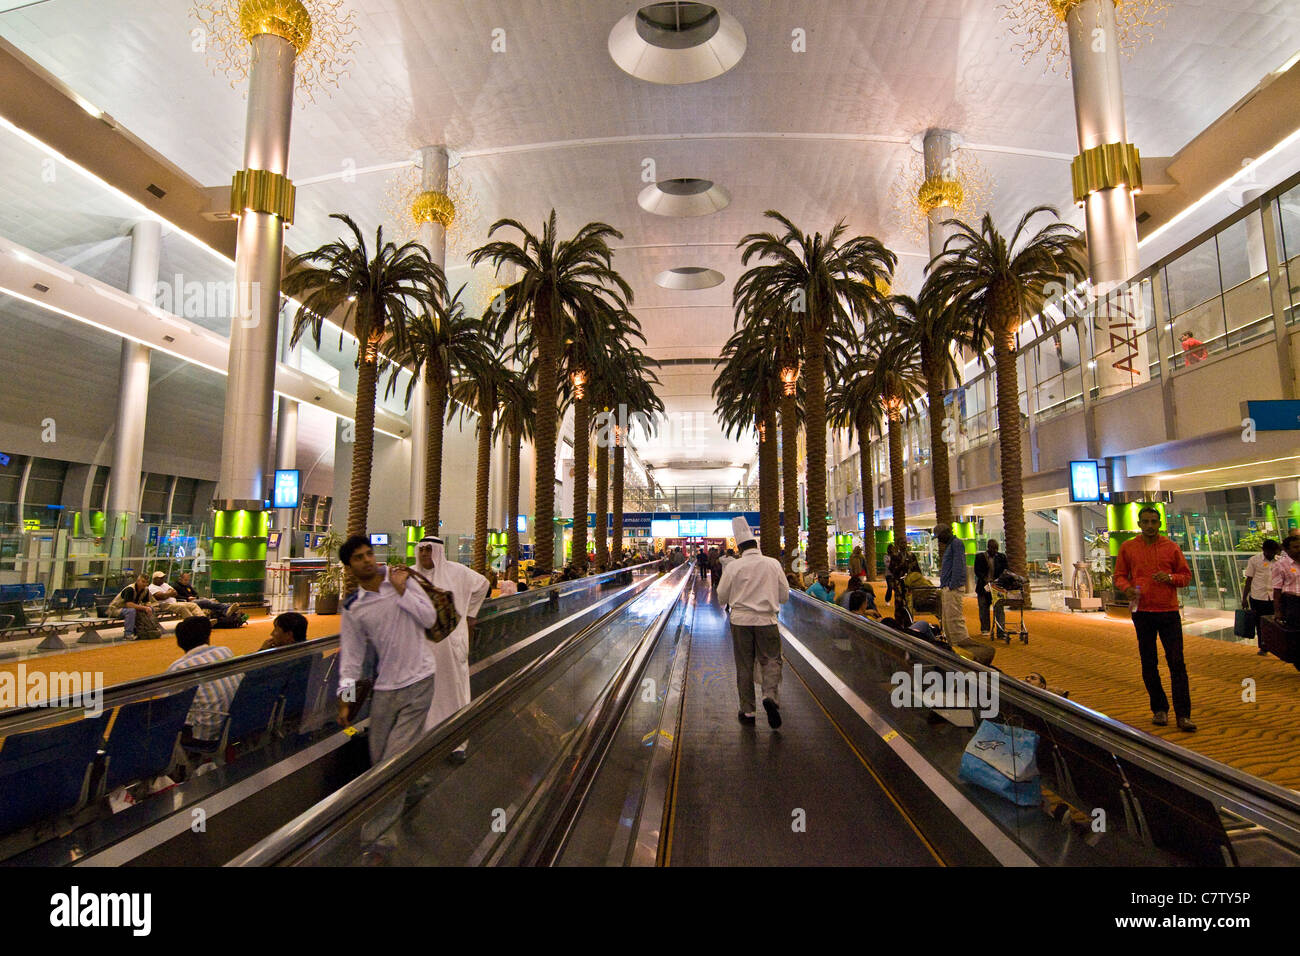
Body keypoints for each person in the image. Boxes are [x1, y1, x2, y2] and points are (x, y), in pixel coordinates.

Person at [337, 535, 439, 857]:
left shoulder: (402, 579)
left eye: (369, 553)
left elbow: (430, 618)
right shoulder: (354, 607)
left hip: (420, 678)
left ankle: (379, 840)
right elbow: (352, 658)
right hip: (385, 688)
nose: (368, 560)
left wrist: (401, 591)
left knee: (389, 763)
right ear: (349, 566)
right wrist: (347, 699)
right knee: (380, 755)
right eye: (358, 557)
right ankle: (416, 779)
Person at [1113, 507, 1196, 732]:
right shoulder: (1128, 547)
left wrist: (1170, 578)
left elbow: (1186, 577)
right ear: (1139, 524)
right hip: (1142, 612)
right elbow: (1119, 576)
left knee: (1177, 663)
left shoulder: (1171, 547)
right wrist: (1127, 588)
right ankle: (1159, 709)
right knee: (1149, 662)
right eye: (1146, 521)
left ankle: (1183, 715)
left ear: (1159, 524)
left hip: (1168, 612)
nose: (1150, 525)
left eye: (1154, 521)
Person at [416, 534, 489, 762]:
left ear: (438, 551)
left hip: (451, 647)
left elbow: (483, 585)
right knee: (425, 694)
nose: (426, 554)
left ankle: (457, 743)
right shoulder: (411, 575)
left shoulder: (458, 572)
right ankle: (426, 741)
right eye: (422, 550)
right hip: (422, 649)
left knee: (454, 690)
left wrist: (470, 614)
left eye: (430, 550)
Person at [717, 515, 790, 729]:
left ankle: (748, 711)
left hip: (740, 621)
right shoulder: (773, 564)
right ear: (756, 544)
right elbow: (784, 596)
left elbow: (722, 596)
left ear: (739, 548)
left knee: (744, 665)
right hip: (767, 620)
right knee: (772, 660)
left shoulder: (734, 567)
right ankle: (769, 695)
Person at [166, 616, 242, 744]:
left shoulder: (178, 668)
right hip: (238, 723)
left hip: (208, 734)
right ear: (207, 637)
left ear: (179, 642)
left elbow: (171, 709)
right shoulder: (225, 652)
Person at [934, 524, 972, 646]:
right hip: (948, 587)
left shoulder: (956, 544)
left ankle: (961, 646)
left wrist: (952, 585)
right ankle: (953, 645)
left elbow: (959, 565)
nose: (939, 540)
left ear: (946, 532)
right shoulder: (951, 545)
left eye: (939, 537)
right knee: (948, 622)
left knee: (954, 620)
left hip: (953, 588)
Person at [1242, 539, 1281, 654]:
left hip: (1273, 597)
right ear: (1264, 550)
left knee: (1275, 623)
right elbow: (1248, 579)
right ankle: (1263, 646)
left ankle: (1275, 646)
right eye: (1270, 552)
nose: (1272, 554)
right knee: (1260, 623)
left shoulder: (1279, 561)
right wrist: (1244, 598)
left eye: (1274, 552)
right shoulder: (1254, 560)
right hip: (1258, 597)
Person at [973, 540, 1009, 638]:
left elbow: (1005, 570)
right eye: (992, 548)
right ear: (988, 548)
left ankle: (1001, 631)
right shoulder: (980, 557)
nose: (994, 551)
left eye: (996, 549)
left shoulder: (1001, 557)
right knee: (983, 608)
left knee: (999, 609)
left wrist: (998, 580)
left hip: (997, 587)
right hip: (983, 587)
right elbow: (977, 571)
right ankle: (985, 629)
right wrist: (986, 580)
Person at [111, 574, 162, 640]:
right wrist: (145, 608)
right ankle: (128, 635)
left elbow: (146, 603)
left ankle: (151, 629)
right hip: (115, 609)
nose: (145, 584)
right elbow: (129, 605)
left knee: (150, 608)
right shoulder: (130, 589)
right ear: (137, 581)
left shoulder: (145, 590)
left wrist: (149, 607)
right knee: (131, 611)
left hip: (129, 609)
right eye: (143, 581)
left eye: (146, 582)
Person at [1271, 532, 1300, 626]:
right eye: (1295, 547)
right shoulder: (1280, 565)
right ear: (1286, 550)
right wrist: (1277, 612)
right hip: (1292, 604)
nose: (1299, 549)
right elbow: (1277, 591)